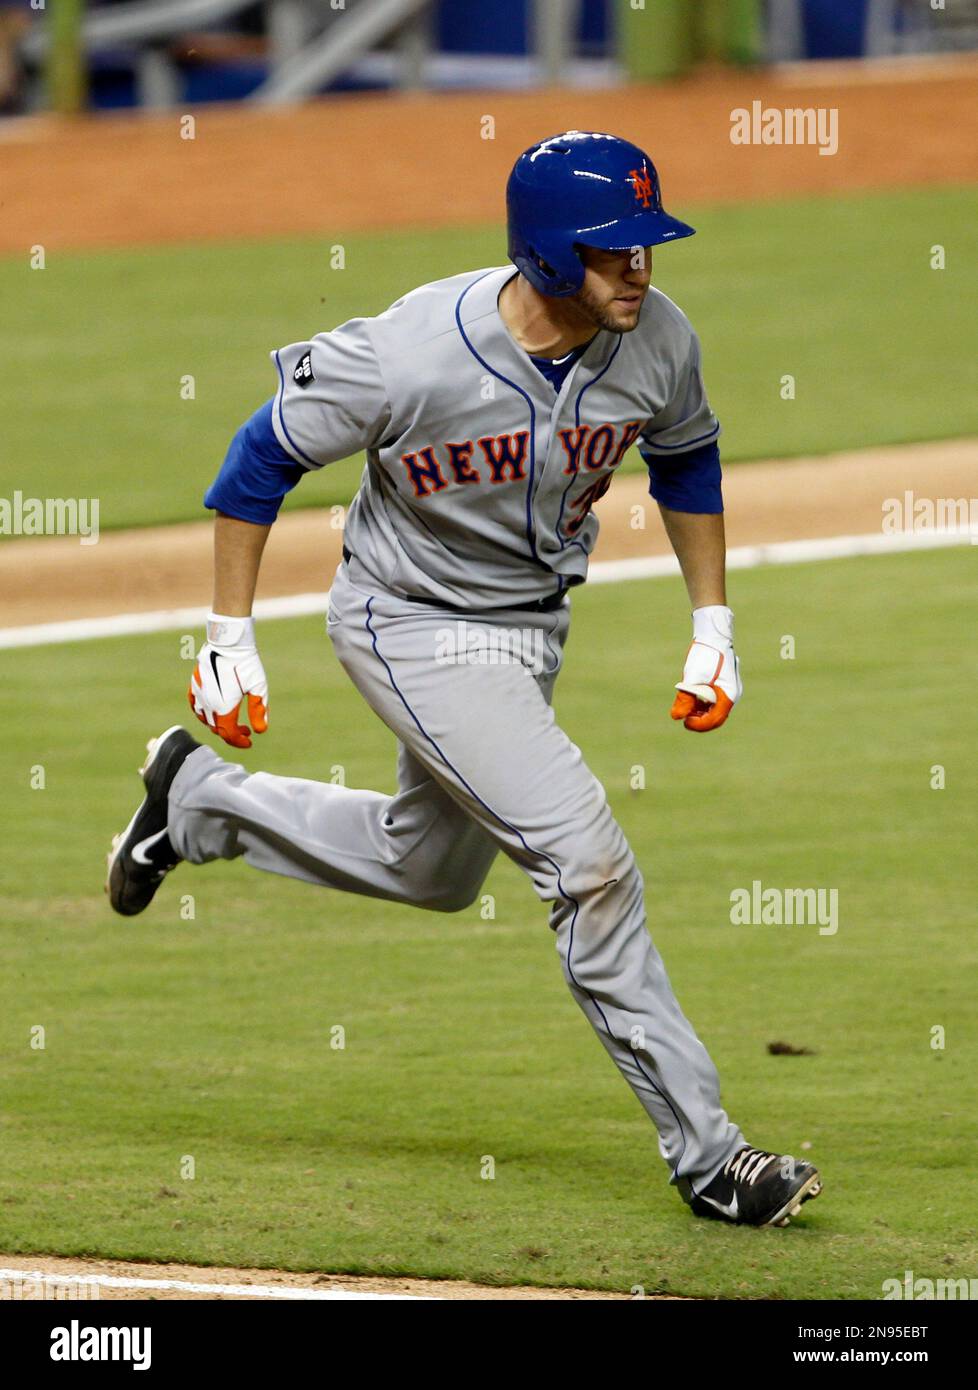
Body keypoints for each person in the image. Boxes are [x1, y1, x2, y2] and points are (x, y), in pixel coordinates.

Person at [107, 131, 822, 1227]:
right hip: (409, 622)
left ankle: (196, 802)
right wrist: (226, 636)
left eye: (647, 246)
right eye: (613, 250)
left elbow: (686, 454)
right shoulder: (409, 352)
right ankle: (710, 1154)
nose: (640, 269)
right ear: (542, 252)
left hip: (530, 630)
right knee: (586, 863)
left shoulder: (658, 341)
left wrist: (713, 625)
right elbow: (259, 460)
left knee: (432, 867)